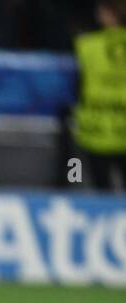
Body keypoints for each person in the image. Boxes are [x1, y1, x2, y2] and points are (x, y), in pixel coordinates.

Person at [73, 0, 126, 193]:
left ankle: (73, 187)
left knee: (96, 190)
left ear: (108, 14)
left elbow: (76, 86)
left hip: (95, 133)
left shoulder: (87, 45)